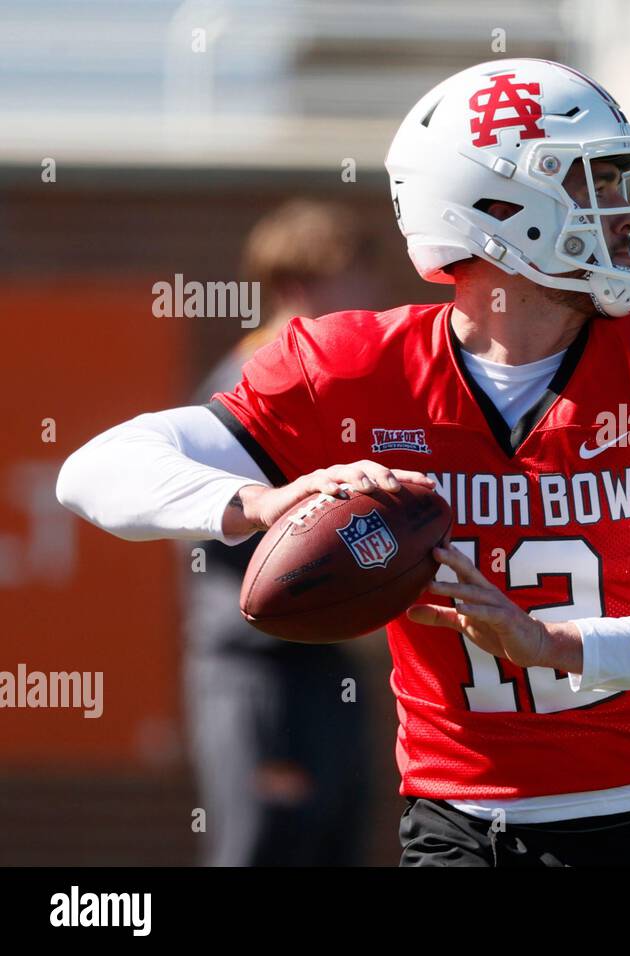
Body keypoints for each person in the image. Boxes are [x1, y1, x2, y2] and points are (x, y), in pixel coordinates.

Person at [56, 58, 630, 867]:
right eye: (594, 183)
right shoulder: (352, 368)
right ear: (497, 207)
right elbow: (95, 470)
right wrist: (263, 501)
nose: (623, 215)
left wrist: (554, 642)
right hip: (465, 827)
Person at [184, 200, 379, 866]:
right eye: (351, 280)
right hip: (256, 666)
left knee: (335, 842)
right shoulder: (245, 388)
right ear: (300, 283)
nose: (369, 299)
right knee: (263, 846)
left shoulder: (338, 385)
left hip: (324, 658)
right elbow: (205, 520)